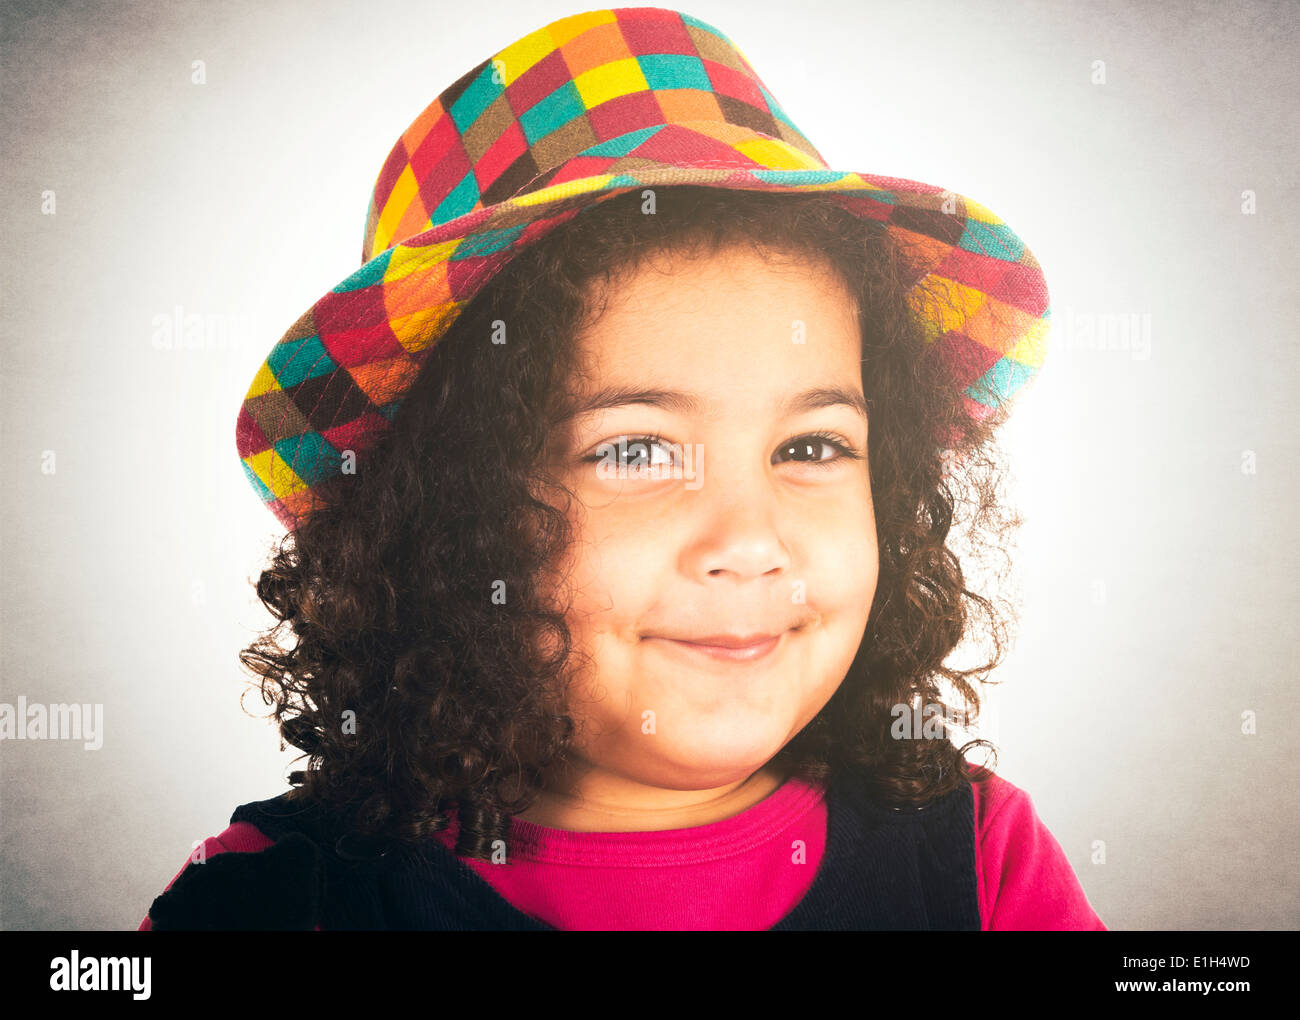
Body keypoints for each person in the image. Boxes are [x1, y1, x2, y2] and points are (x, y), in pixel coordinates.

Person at [138, 6, 1104, 931]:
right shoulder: (272, 898)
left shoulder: (974, 857)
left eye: (811, 447)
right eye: (635, 450)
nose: (751, 545)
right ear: (441, 522)